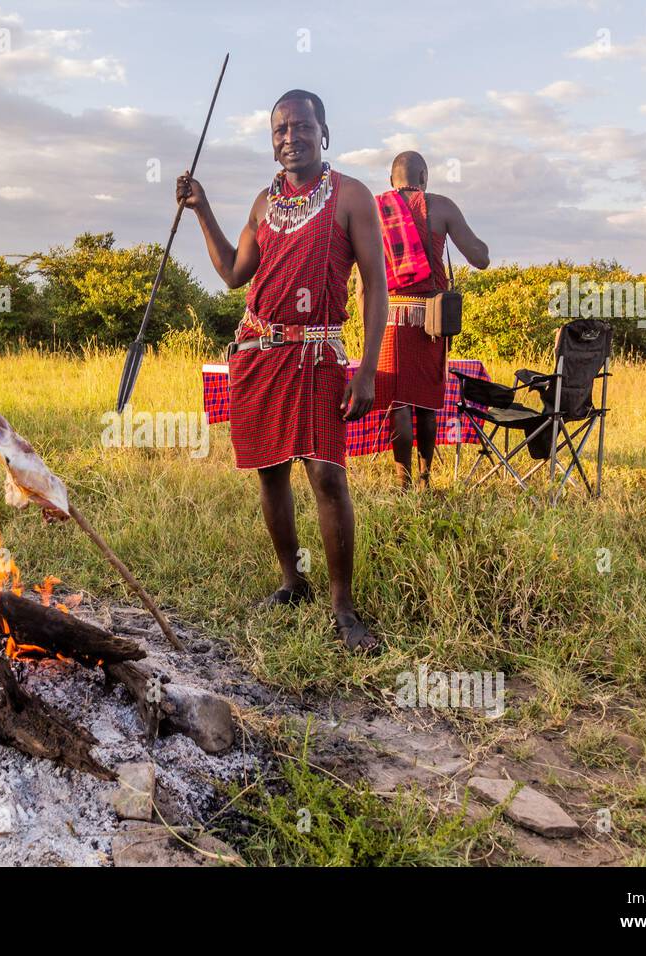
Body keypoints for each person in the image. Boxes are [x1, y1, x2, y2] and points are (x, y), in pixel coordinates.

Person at [176, 89, 389, 651]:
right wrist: (202, 210)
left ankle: (342, 606)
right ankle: (293, 581)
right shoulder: (262, 204)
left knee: (326, 475)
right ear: (272, 144)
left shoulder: (352, 197)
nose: (290, 137)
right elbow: (231, 273)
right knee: (271, 472)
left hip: (318, 353)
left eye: (300, 127)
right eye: (279, 131)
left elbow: (375, 287)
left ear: (323, 131)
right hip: (258, 350)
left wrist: (366, 370)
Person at [375, 151, 489, 490]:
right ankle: (425, 479)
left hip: (391, 314)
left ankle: (402, 480)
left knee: (398, 400)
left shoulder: (375, 208)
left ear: (390, 179)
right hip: (432, 318)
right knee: (426, 399)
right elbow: (480, 258)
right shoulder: (442, 206)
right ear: (424, 178)